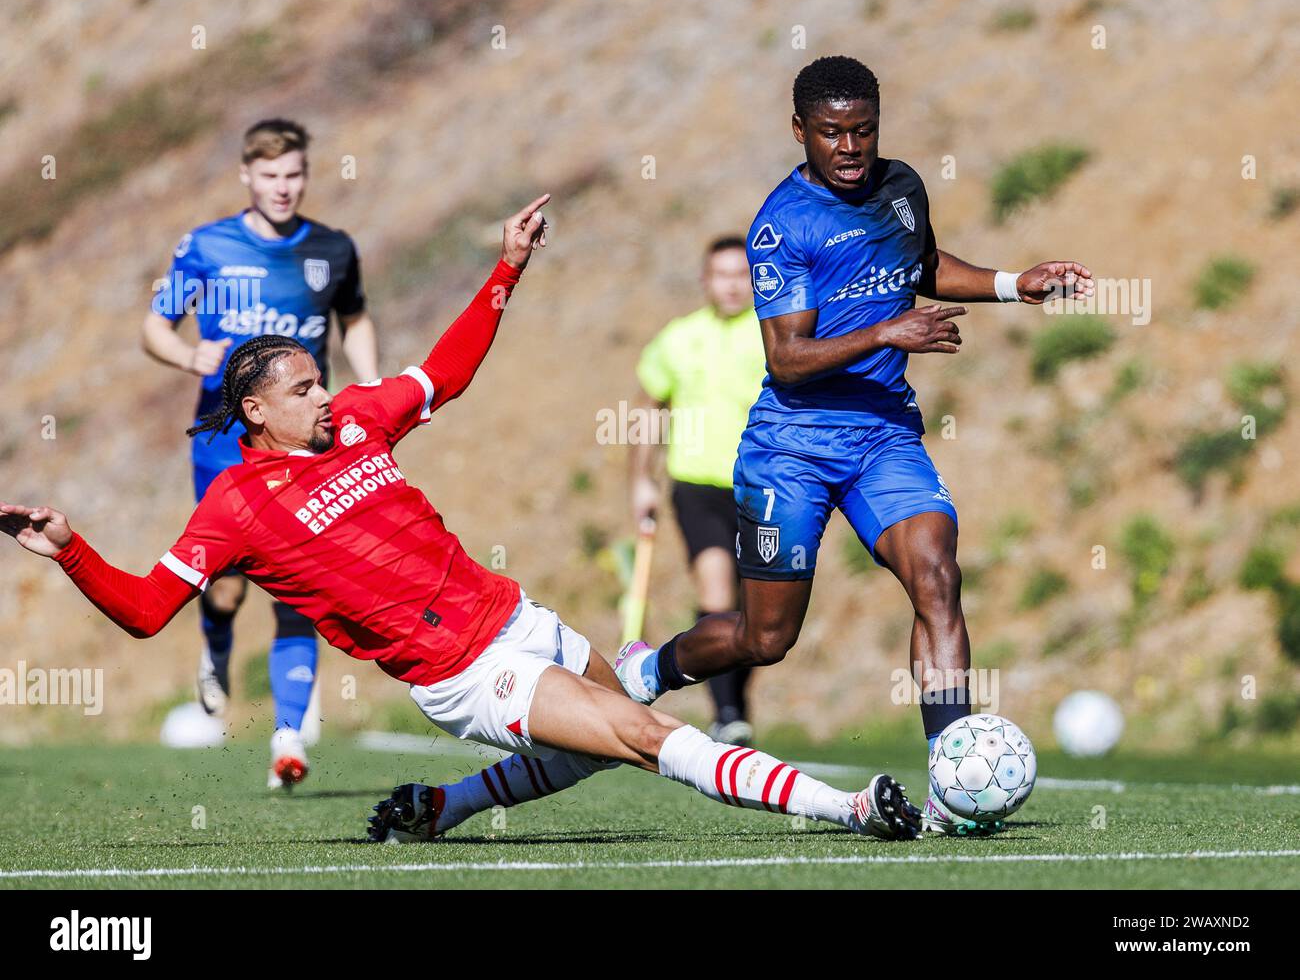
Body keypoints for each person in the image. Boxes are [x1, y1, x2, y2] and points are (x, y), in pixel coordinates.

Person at [2, 196, 921, 844]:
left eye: (320, 380)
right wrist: (70, 549)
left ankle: (447, 808)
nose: (327, 395)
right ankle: (846, 809)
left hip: (514, 615)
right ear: (255, 413)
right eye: (303, 388)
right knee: (645, 741)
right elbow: (144, 610)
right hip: (462, 671)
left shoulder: (358, 416)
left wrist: (506, 270)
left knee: (621, 717)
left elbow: (447, 371)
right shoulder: (234, 507)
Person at [615, 56, 1095, 835]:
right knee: (764, 638)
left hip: (882, 434)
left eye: (863, 130)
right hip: (791, 448)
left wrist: (1015, 282)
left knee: (937, 571)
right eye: (833, 132)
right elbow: (786, 358)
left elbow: (925, 264)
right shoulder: (782, 226)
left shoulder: (901, 187)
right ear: (799, 129)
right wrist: (885, 329)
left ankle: (950, 789)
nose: (850, 147)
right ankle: (653, 667)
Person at [140, 118, 379, 787]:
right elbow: (154, 326)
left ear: (306, 175)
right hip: (223, 442)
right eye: (270, 176)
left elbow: (355, 315)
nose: (283, 187)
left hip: (304, 442)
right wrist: (191, 354)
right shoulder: (207, 246)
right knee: (226, 582)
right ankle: (215, 652)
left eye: (294, 175)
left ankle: (288, 741)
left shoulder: (332, 247)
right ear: (247, 176)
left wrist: (367, 379)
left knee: (300, 587)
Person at [629, 235, 767, 744]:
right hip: (695, 486)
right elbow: (647, 409)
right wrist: (642, 480)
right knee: (716, 591)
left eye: (741, 274)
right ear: (706, 281)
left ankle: (730, 689)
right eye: (722, 275)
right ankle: (728, 712)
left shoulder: (773, 334)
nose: (732, 285)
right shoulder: (679, 339)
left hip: (761, 488)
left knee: (761, 614)